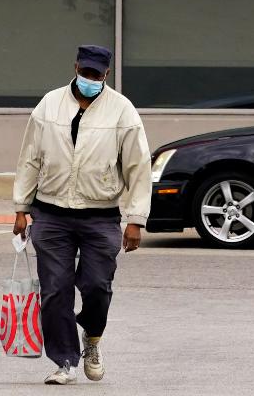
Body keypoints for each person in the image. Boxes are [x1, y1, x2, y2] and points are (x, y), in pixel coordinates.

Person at [12, 45, 152, 386]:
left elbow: (137, 166)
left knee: (97, 286)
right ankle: (65, 361)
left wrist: (136, 219)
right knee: (55, 290)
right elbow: (30, 157)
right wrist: (21, 207)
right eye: (85, 72)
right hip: (51, 213)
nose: (90, 79)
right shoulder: (49, 104)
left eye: (97, 75)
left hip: (100, 215)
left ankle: (93, 338)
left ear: (106, 75)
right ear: (75, 67)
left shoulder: (122, 111)